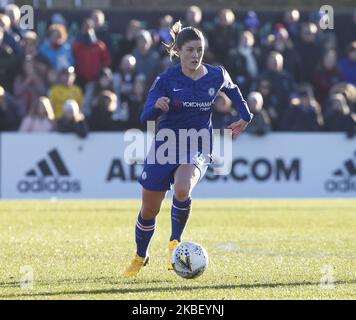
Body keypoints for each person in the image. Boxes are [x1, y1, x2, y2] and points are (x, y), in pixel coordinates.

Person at [123, 21, 253, 277]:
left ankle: (175, 244)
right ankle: (140, 256)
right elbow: (144, 116)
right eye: (190, 50)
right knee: (149, 209)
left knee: (182, 189)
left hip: (197, 143)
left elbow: (234, 91)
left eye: (200, 50)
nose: (196, 55)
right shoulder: (166, 79)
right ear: (178, 51)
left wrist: (246, 116)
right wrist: (157, 107)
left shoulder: (216, 74)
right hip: (166, 144)